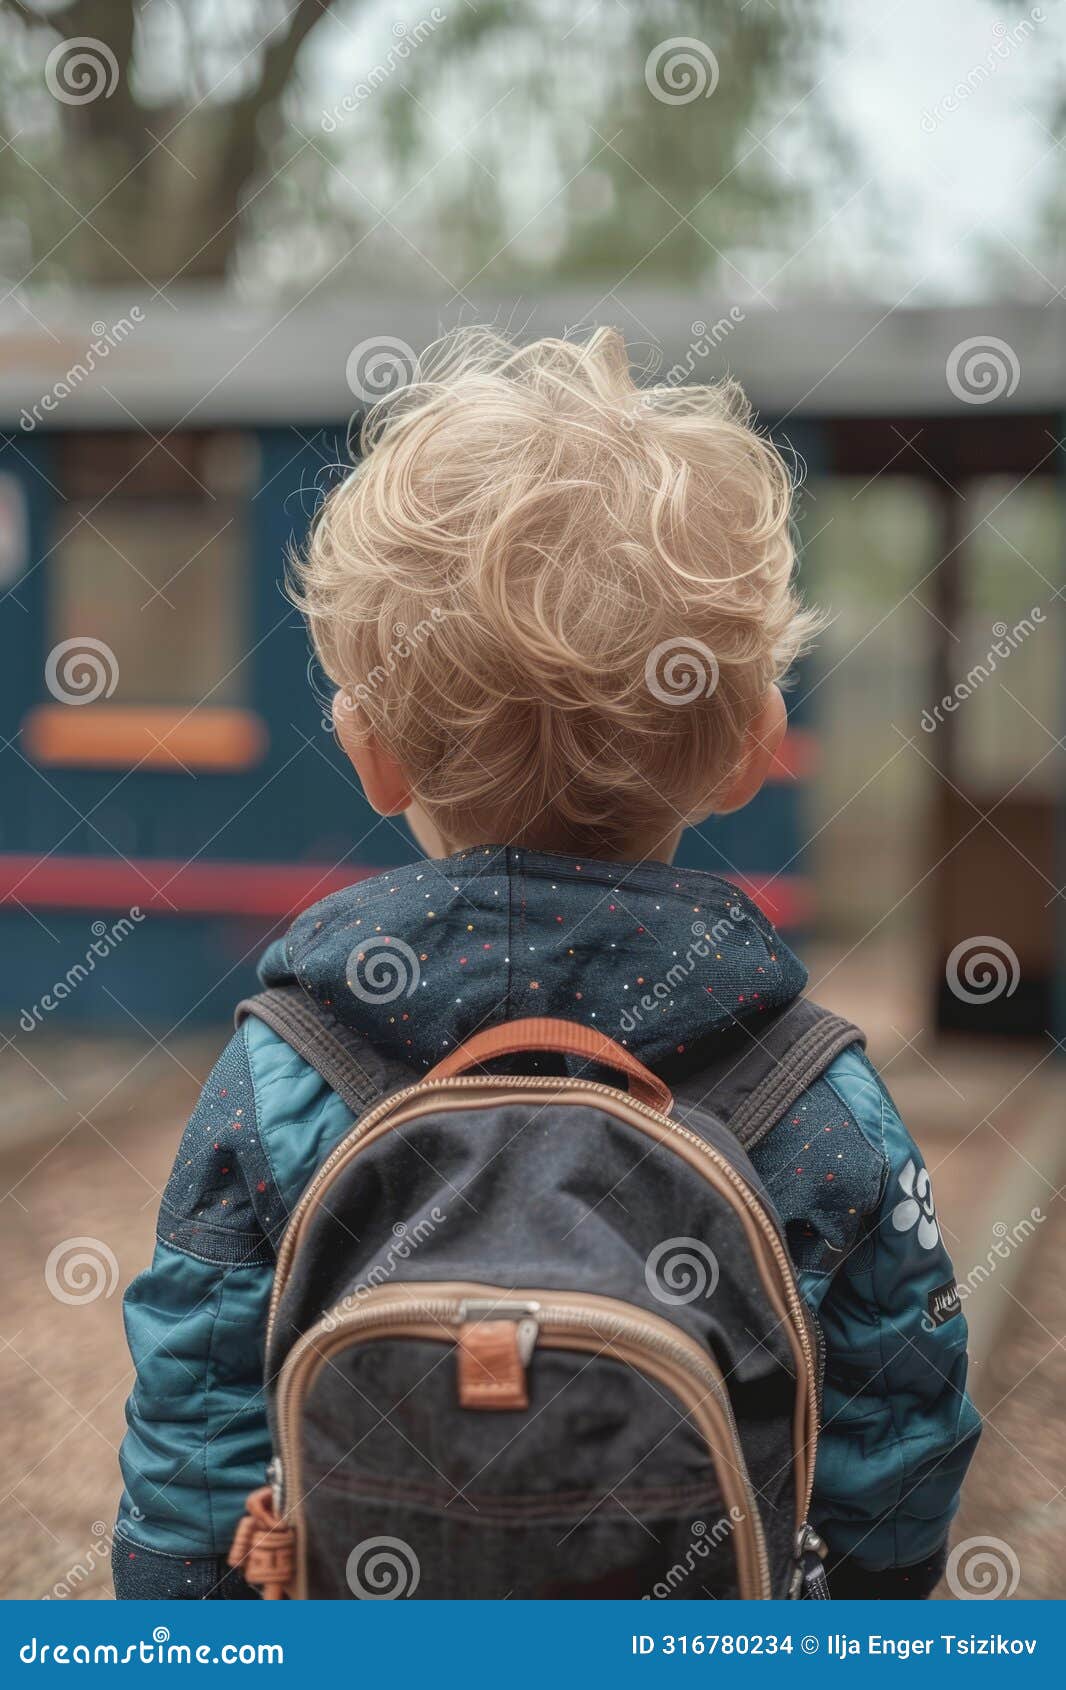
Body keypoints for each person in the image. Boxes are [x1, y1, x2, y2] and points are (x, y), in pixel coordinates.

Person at [114, 327, 979, 1599]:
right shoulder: (813, 1096)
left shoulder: (286, 1073)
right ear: (753, 745)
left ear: (372, 753)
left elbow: (195, 1432)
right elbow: (896, 1441)